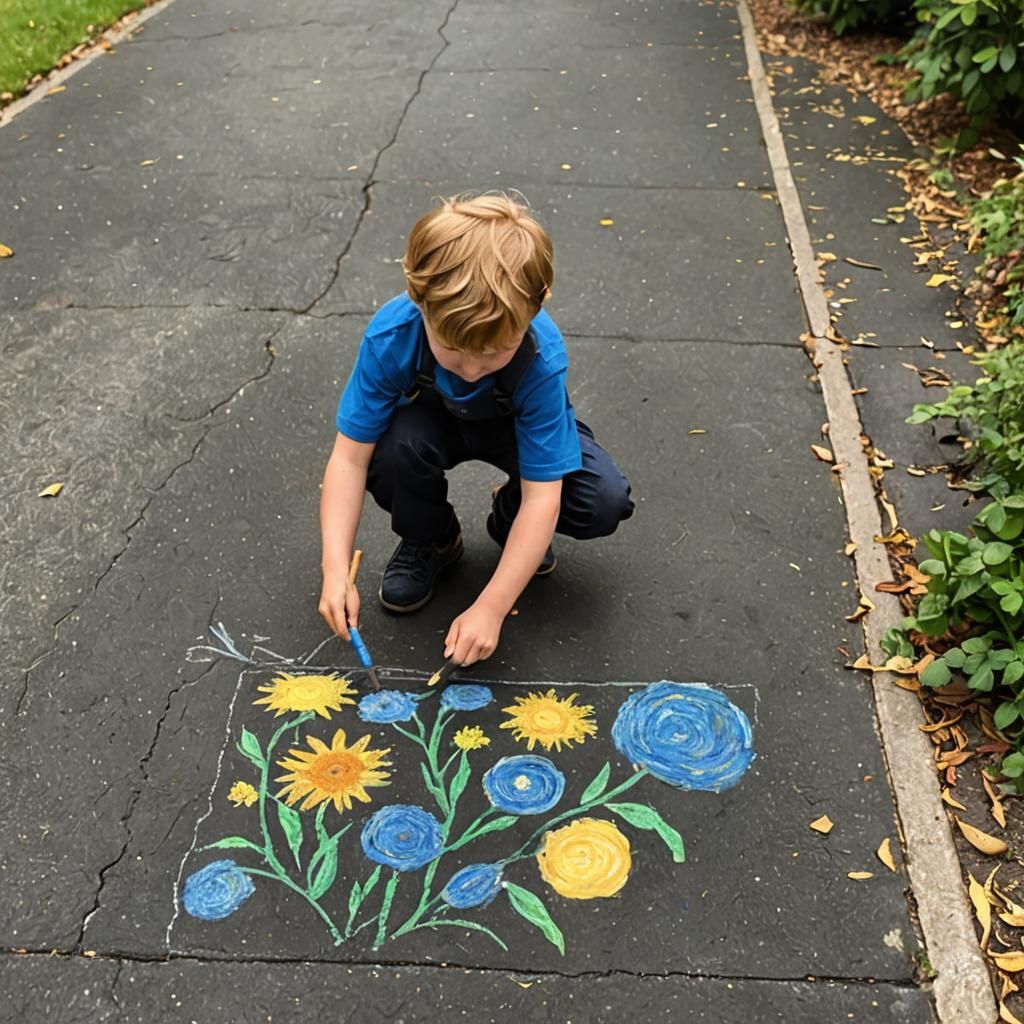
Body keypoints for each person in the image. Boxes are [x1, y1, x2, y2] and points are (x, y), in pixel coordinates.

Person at [318, 192, 633, 667]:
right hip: (427, 428)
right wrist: (334, 569)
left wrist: (492, 606)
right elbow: (348, 458)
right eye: (452, 350)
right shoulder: (392, 338)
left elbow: (545, 495)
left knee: (599, 500)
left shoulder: (541, 359)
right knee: (391, 452)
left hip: (513, 428)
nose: (471, 370)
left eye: (495, 353)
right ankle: (434, 538)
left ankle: (510, 519)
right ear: (419, 301)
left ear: (536, 306)